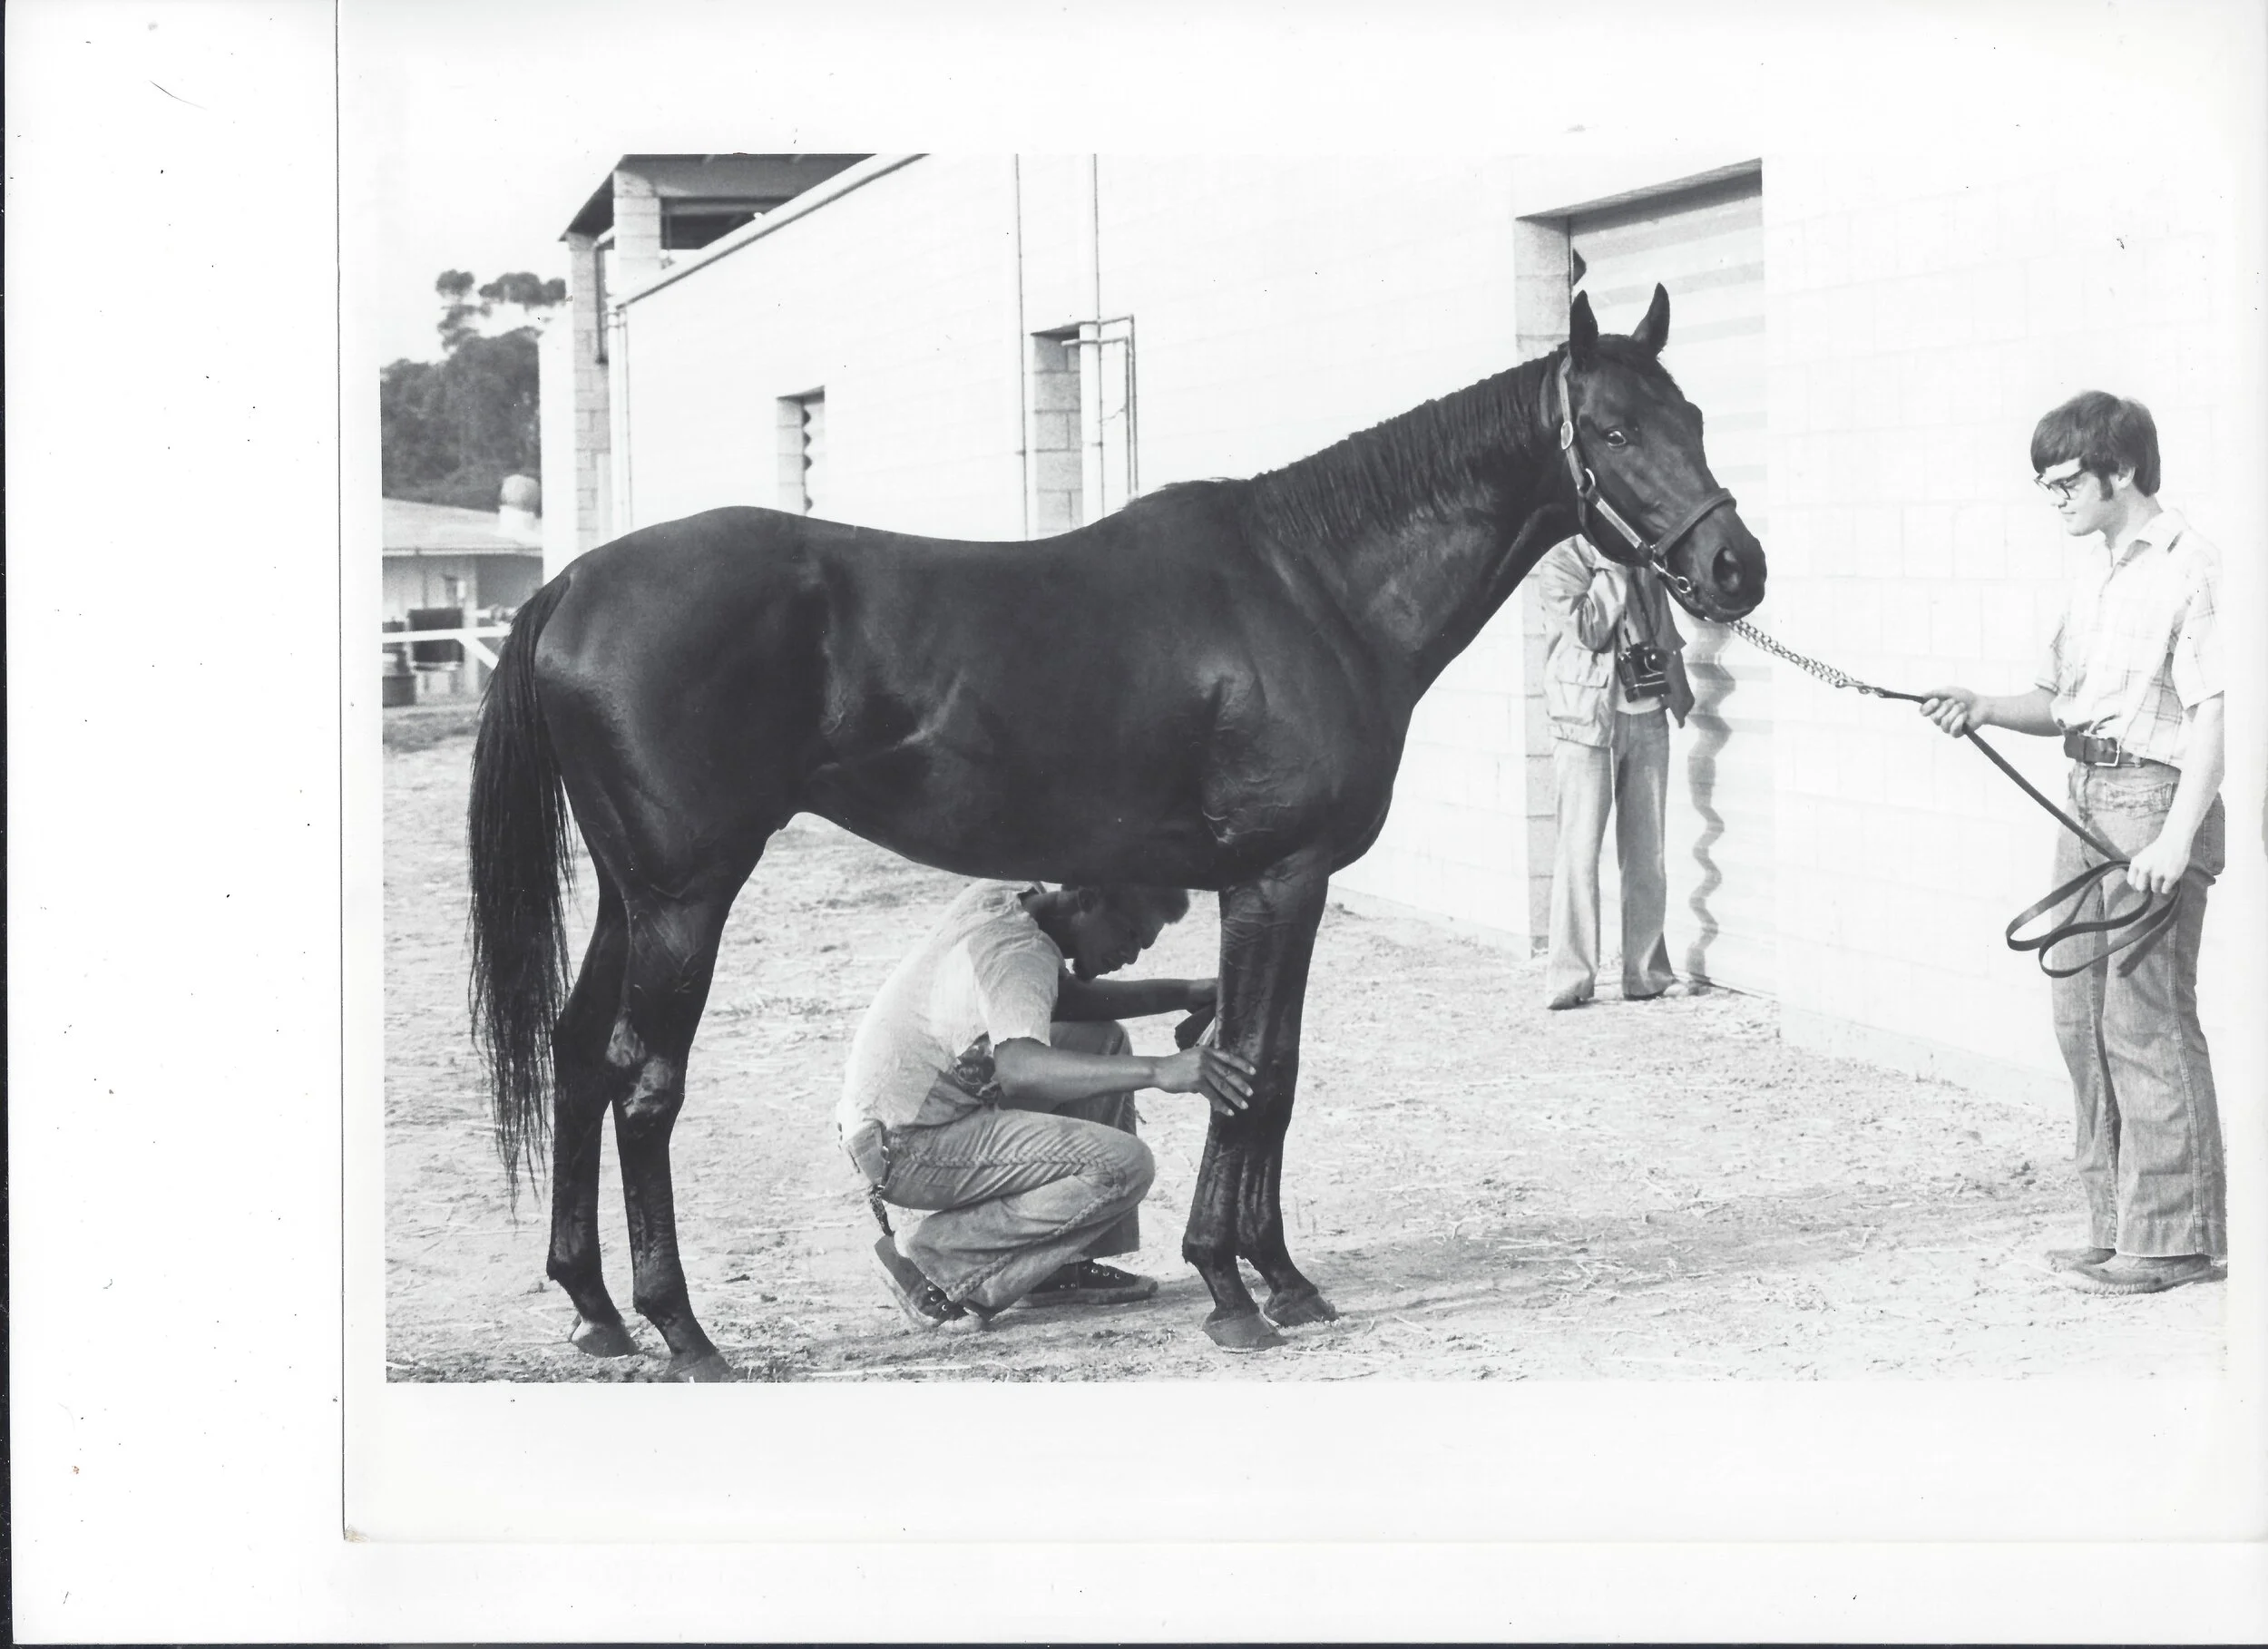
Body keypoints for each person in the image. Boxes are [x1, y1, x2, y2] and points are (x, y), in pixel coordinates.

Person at [1920, 390, 2225, 1296]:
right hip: (2085, 797)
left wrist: (2175, 836)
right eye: (2044, 486)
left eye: (2064, 483)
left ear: (2119, 471)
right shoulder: (2092, 573)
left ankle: (2175, 1238)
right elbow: (2061, 704)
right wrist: (1978, 706)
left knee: (2143, 1021)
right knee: (2078, 1018)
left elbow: (2214, 711)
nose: (2053, 500)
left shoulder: (2190, 567)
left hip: (2152, 800)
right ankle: (2114, 1223)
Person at [837, 879, 1256, 1332]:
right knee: (1124, 1167)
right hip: (908, 1147)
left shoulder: (1005, 898)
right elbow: (1020, 1068)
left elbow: (1066, 1000)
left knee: (1102, 1042)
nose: (1132, 955)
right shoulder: (1021, 956)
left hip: (893, 1118)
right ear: (1088, 898)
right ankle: (926, 1263)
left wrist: (1187, 992)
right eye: (1129, 934)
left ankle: (1059, 1267)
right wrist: (1159, 1071)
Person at [1532, 533, 1696, 1010]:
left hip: (1646, 717)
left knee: (1648, 853)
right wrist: (1612, 570)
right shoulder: (1561, 563)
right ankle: (1569, 978)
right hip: (1585, 722)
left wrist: (1678, 692)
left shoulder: (1642, 558)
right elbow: (1588, 629)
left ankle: (1645, 973)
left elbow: (1665, 631)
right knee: (1578, 854)